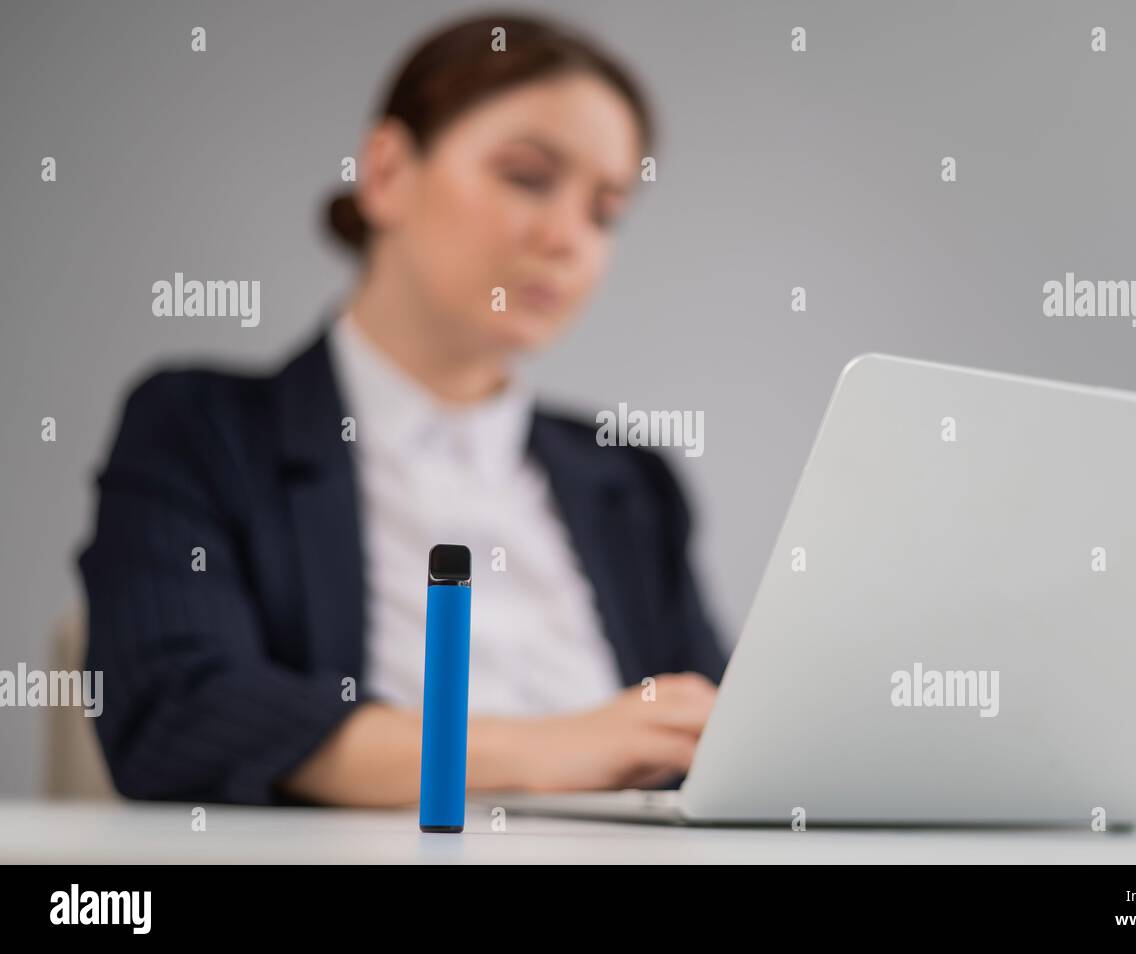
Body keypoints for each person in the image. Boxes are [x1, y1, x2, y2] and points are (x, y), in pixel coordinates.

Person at [76, 12, 727, 807]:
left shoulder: (630, 478)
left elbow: (720, 743)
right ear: (387, 173)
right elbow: (176, 711)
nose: (569, 238)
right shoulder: (205, 429)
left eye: (605, 212)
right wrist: (543, 749)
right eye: (526, 176)